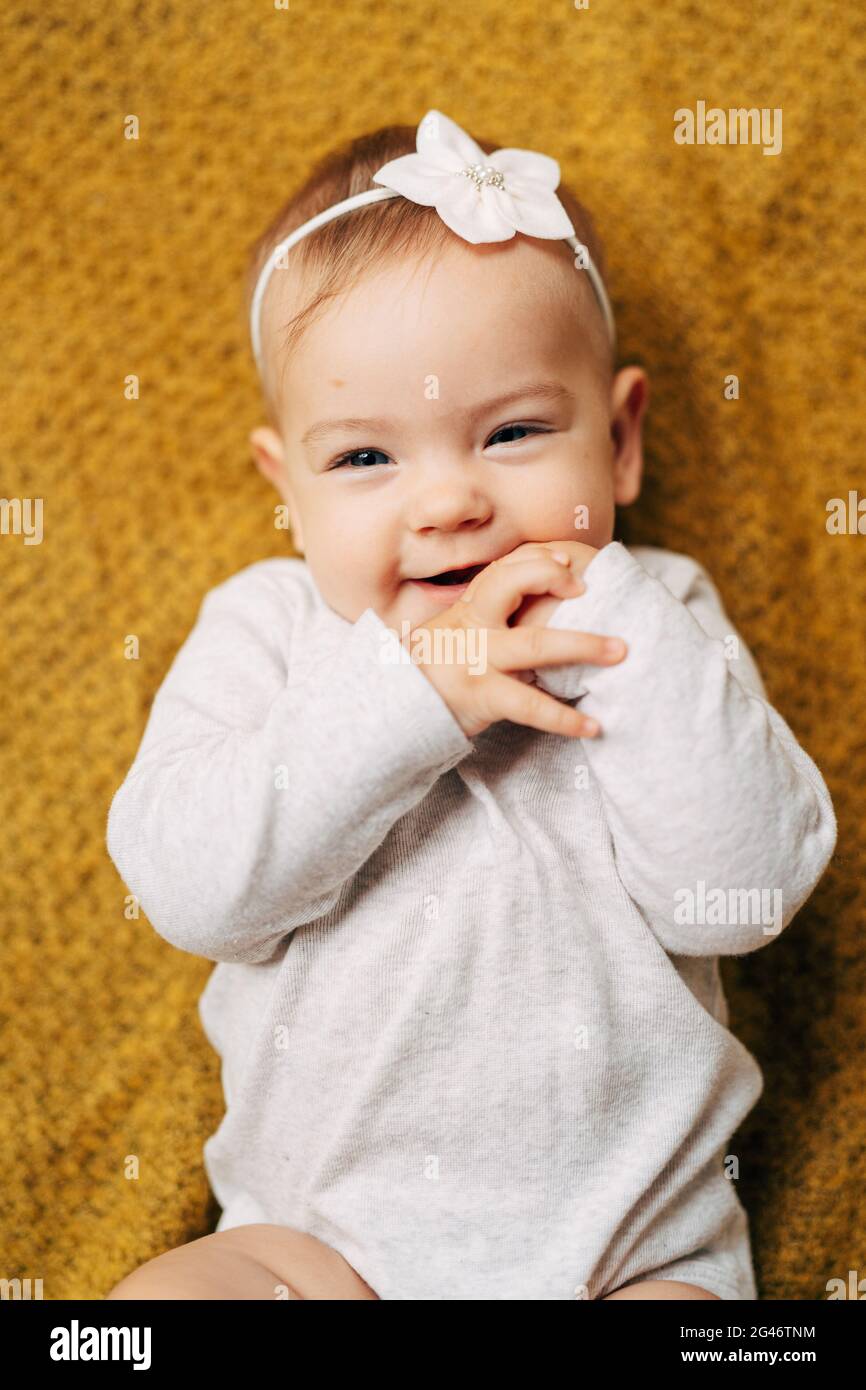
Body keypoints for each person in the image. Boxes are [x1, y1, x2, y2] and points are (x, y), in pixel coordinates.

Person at [105, 110, 836, 1300]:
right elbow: (188, 887)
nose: (446, 502)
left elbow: (743, 893)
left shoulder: (657, 614)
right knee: (156, 1310)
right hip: (318, 1246)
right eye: (363, 461)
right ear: (284, 487)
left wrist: (613, 618)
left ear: (621, 440)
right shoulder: (268, 629)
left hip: (630, 1255)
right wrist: (409, 692)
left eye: (511, 433)